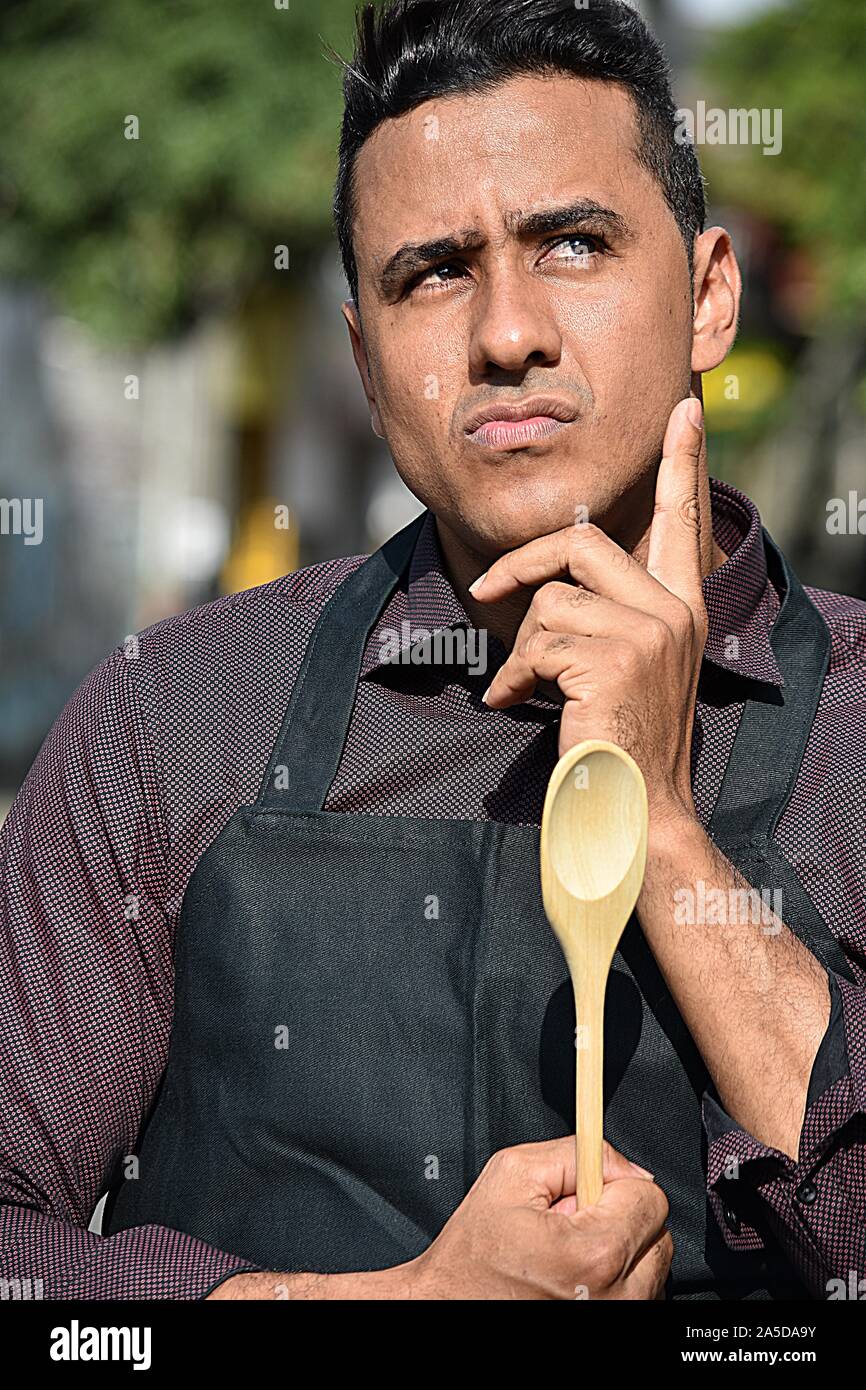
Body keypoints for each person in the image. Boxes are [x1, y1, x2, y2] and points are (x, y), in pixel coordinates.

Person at [2, 0, 864, 1302]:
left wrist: (663, 820)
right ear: (362, 358)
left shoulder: (855, 729)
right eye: (432, 272)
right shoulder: (169, 718)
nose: (505, 333)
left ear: (705, 297)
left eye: (572, 243)